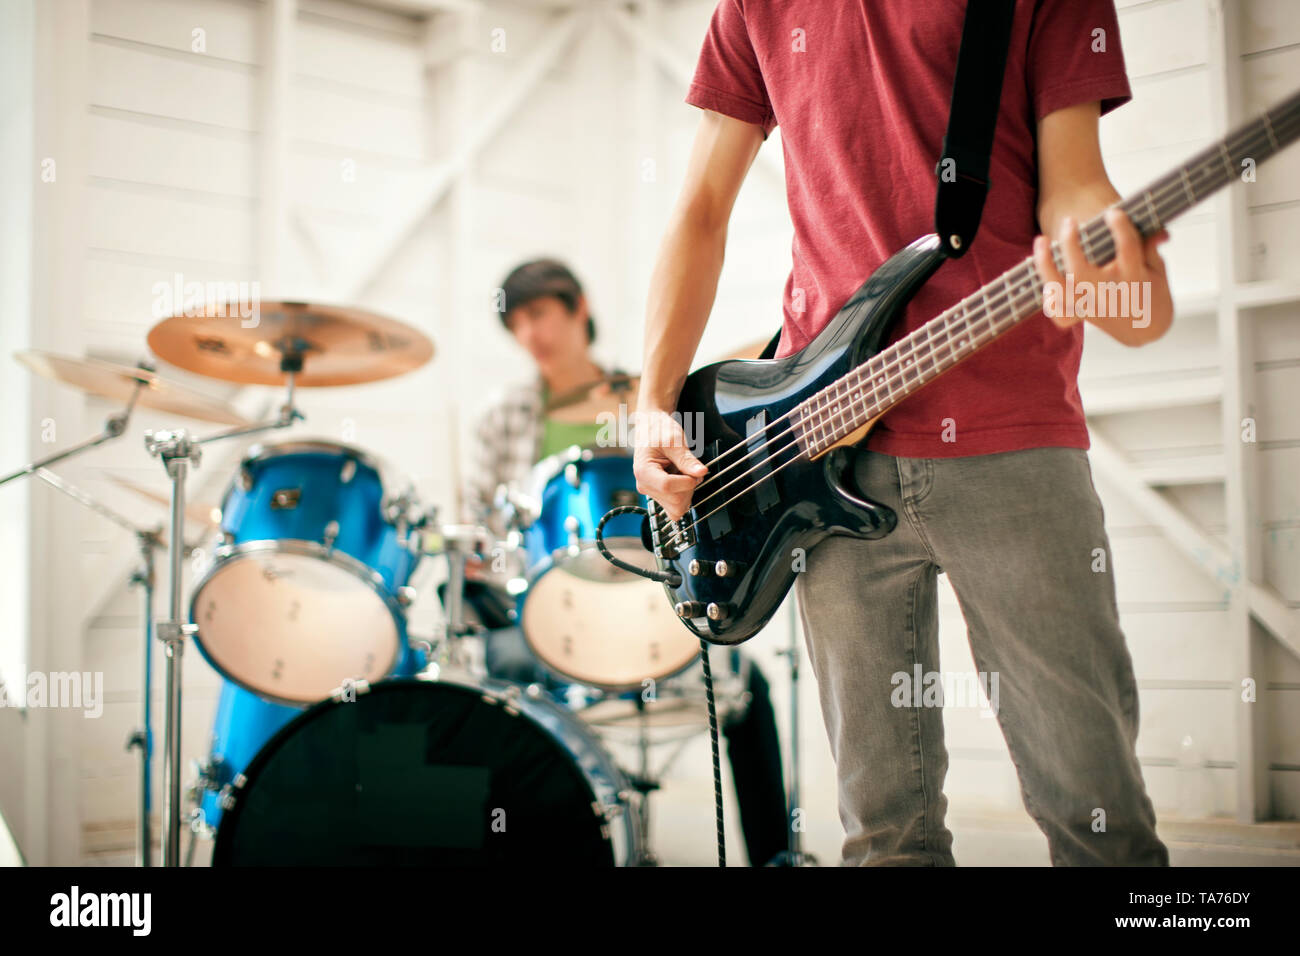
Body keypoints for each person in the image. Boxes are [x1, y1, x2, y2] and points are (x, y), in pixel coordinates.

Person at [633, 2, 1171, 866]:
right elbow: (701, 205)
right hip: (816, 447)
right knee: (882, 833)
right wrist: (654, 401)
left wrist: (1108, 259)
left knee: (1095, 813)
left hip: (1012, 437)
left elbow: (1077, 185)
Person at [459, 257, 790, 866]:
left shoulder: (652, 404)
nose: (529, 333)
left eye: (539, 314)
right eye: (517, 322)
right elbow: (484, 531)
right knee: (494, 681)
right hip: (545, 615)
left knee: (750, 685)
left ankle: (775, 856)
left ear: (578, 309)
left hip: (653, 602)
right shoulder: (499, 419)